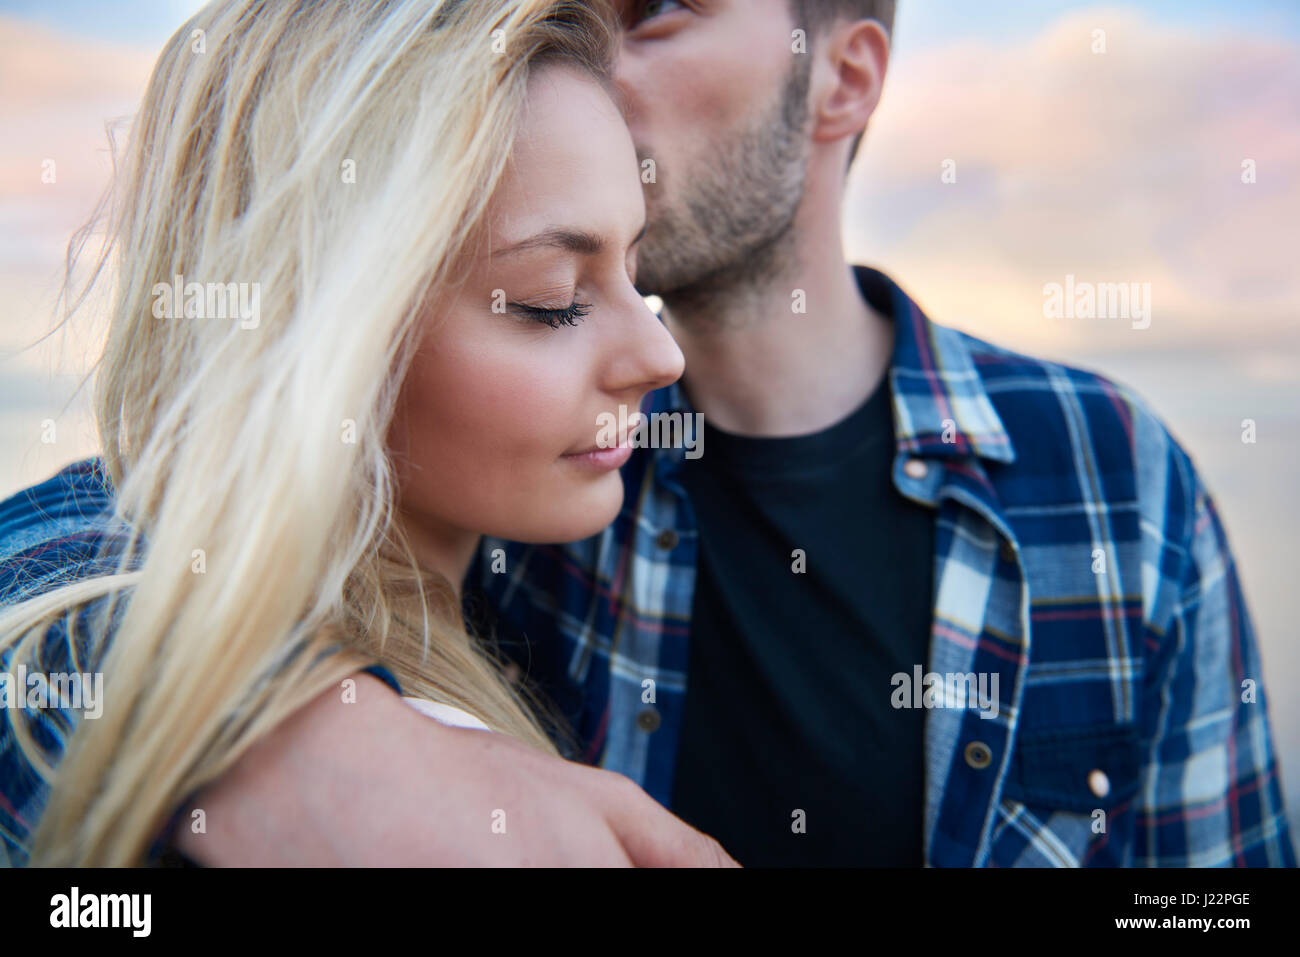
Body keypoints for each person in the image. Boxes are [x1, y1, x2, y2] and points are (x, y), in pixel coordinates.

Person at [472, 0, 1296, 866]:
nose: (585, 74)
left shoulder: (1117, 476)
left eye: (658, 13)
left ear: (843, 78)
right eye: (572, 19)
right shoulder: (526, 471)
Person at [0, 0, 736, 867]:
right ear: (318, 332)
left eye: (633, 265)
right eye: (552, 300)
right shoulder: (366, 798)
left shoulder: (543, 559)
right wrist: (263, 735)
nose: (658, 352)